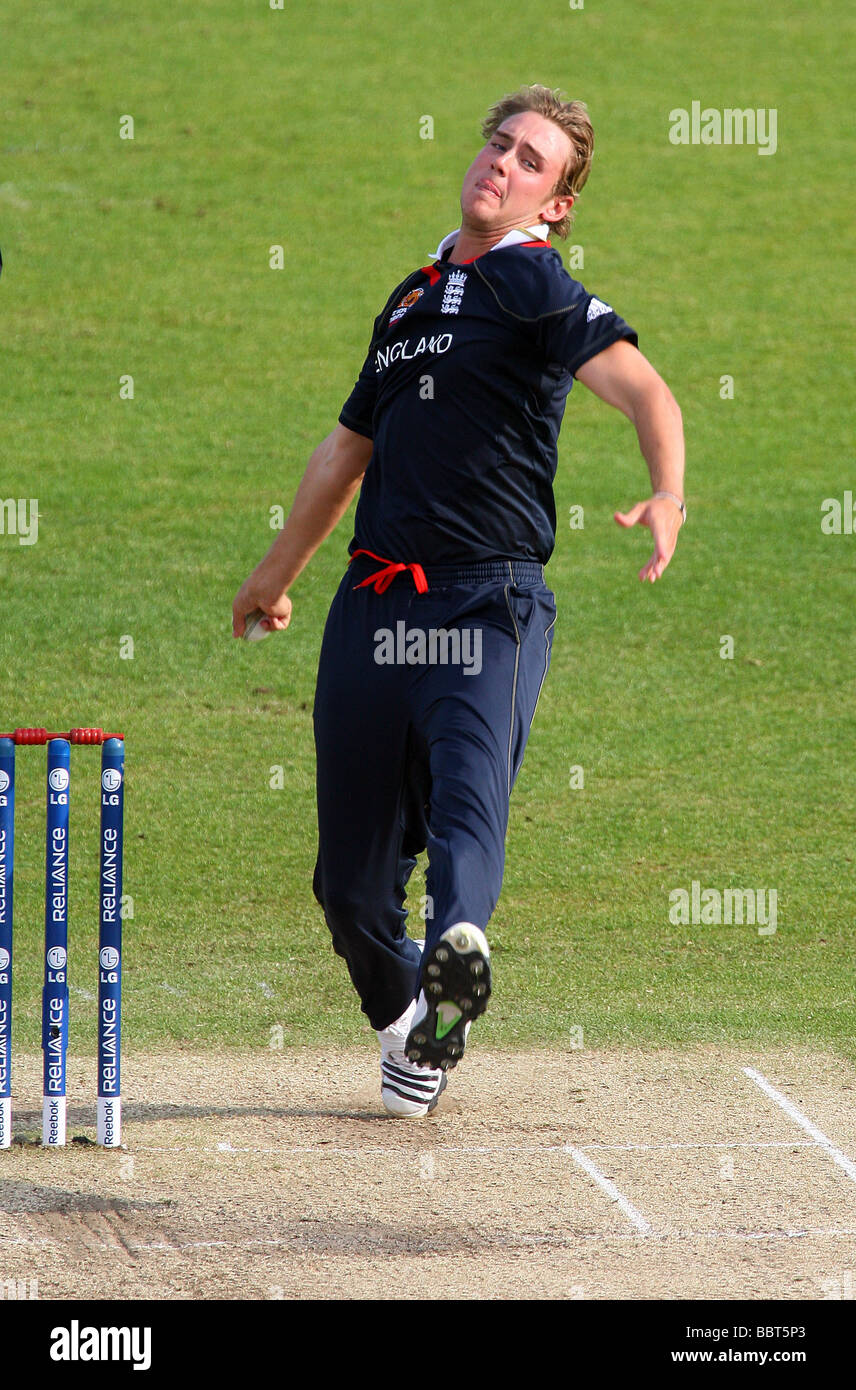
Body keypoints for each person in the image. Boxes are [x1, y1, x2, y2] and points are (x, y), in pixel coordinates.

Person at [232, 84, 685, 1118]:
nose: (502, 163)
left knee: (468, 806)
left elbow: (644, 390)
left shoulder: (534, 284)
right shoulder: (406, 298)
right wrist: (275, 574)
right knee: (346, 886)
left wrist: (666, 489)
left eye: (532, 160)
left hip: (489, 604)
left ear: (556, 202)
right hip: (372, 605)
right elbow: (345, 450)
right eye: (499, 143)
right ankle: (415, 1026)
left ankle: (455, 950)